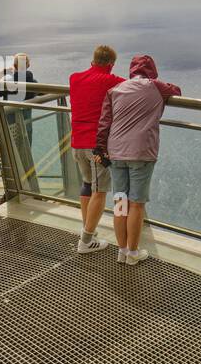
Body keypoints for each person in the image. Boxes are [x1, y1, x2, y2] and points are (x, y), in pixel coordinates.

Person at [95, 55, 180, 265]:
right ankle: (133, 253)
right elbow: (176, 91)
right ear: (151, 71)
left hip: (115, 152)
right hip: (141, 152)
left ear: (131, 71)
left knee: (120, 201)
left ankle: (122, 250)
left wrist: (101, 149)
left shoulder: (115, 90)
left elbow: (104, 123)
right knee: (136, 204)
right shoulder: (155, 86)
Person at [69, 45, 123, 253]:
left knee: (87, 185)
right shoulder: (111, 81)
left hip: (77, 142)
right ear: (110, 64)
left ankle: (88, 230)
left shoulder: (74, 78)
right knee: (100, 191)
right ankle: (86, 241)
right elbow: (134, 87)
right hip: (97, 147)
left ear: (93, 60)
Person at [0, 52, 39, 145]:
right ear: (28, 65)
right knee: (26, 152)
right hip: (26, 125)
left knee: (11, 153)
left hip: (10, 127)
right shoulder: (33, 83)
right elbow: (43, 92)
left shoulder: (8, 82)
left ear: (14, 65)